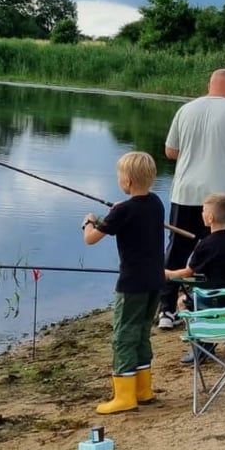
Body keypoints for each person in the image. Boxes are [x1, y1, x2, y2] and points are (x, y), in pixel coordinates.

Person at [159, 68, 225, 330]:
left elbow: (170, 151)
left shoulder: (185, 109)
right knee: (215, 252)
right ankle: (203, 306)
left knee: (176, 250)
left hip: (184, 193)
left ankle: (166, 310)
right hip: (220, 198)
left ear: (209, 85)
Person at [81, 152, 165, 414]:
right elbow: (131, 213)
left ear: (127, 182)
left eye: (120, 177)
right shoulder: (156, 203)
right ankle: (143, 390)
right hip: (155, 281)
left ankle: (125, 397)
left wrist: (88, 221)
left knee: (123, 337)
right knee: (141, 334)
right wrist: (117, 212)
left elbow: (90, 239)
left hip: (132, 285)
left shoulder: (123, 211)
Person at [164, 193, 225, 365]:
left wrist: (168, 274)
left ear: (210, 218)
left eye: (203, 211)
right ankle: (206, 343)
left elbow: (187, 273)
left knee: (183, 301)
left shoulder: (205, 245)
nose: (201, 213)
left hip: (215, 299)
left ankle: (201, 346)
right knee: (205, 291)